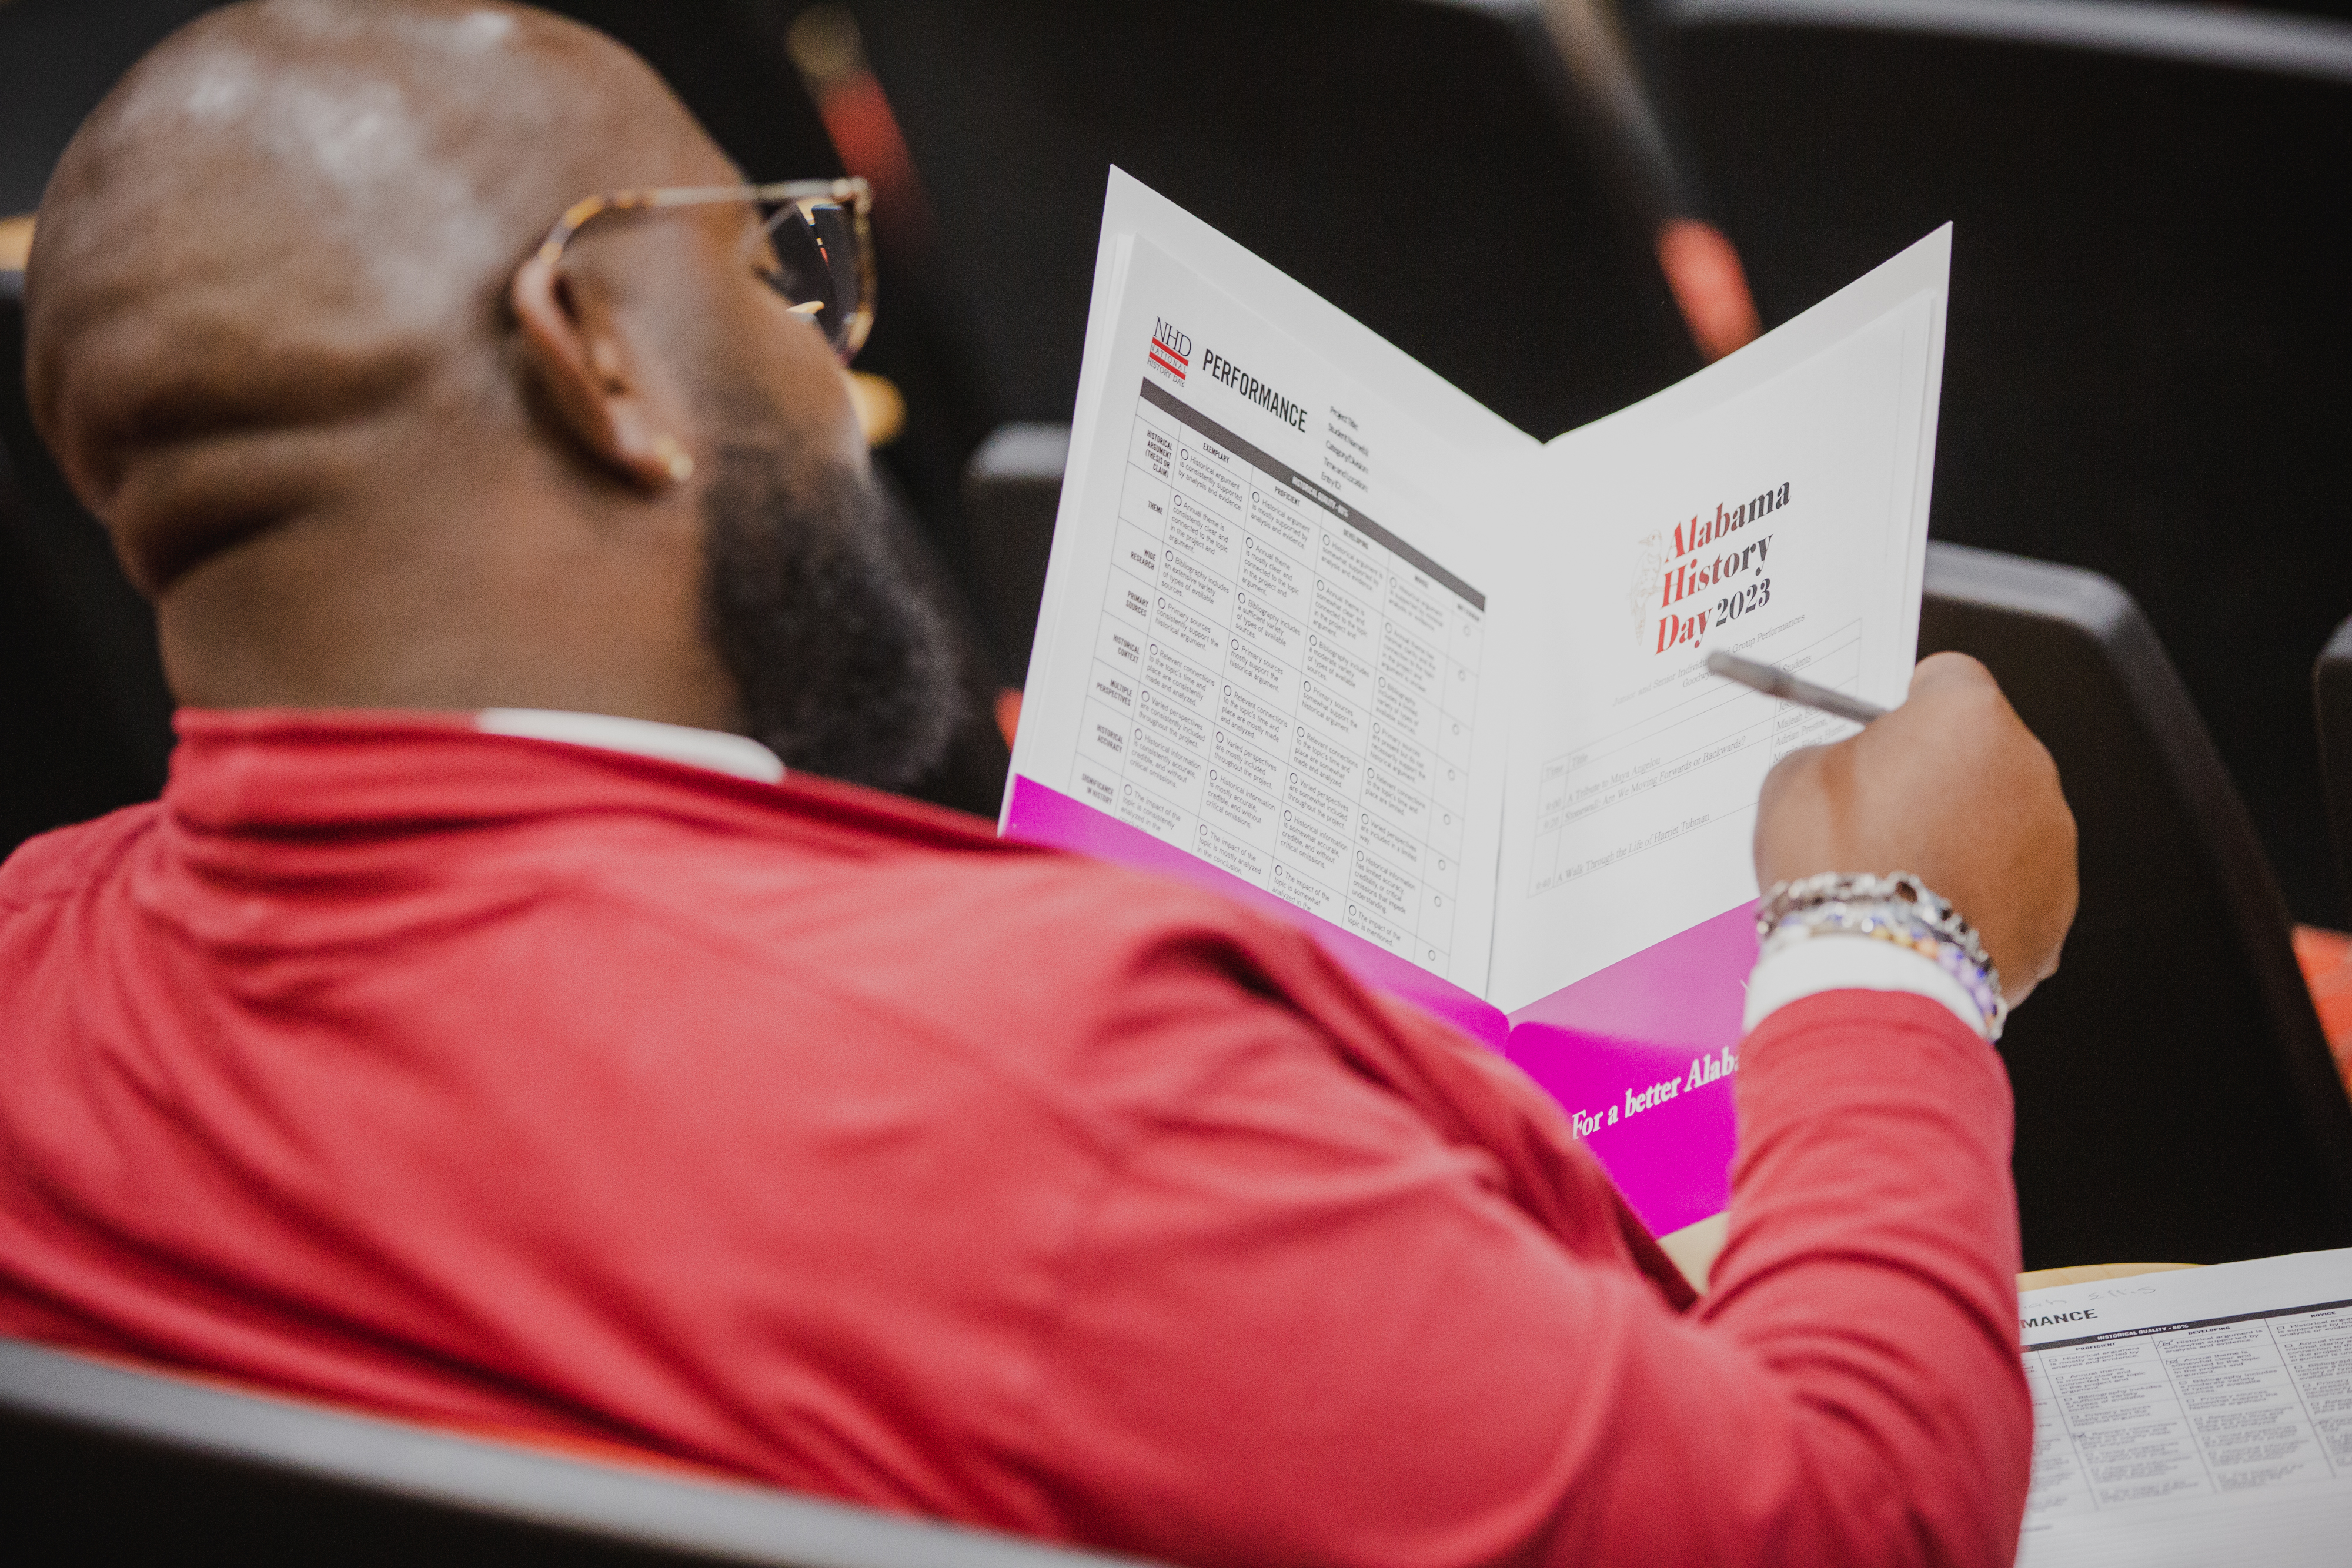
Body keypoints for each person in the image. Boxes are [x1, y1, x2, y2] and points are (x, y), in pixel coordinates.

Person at [0, 4, 2077, 1565]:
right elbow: (1841, 1529)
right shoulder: (1055, 1075)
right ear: (598, 359)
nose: (846, 374)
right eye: (777, 271)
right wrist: (1889, 945)